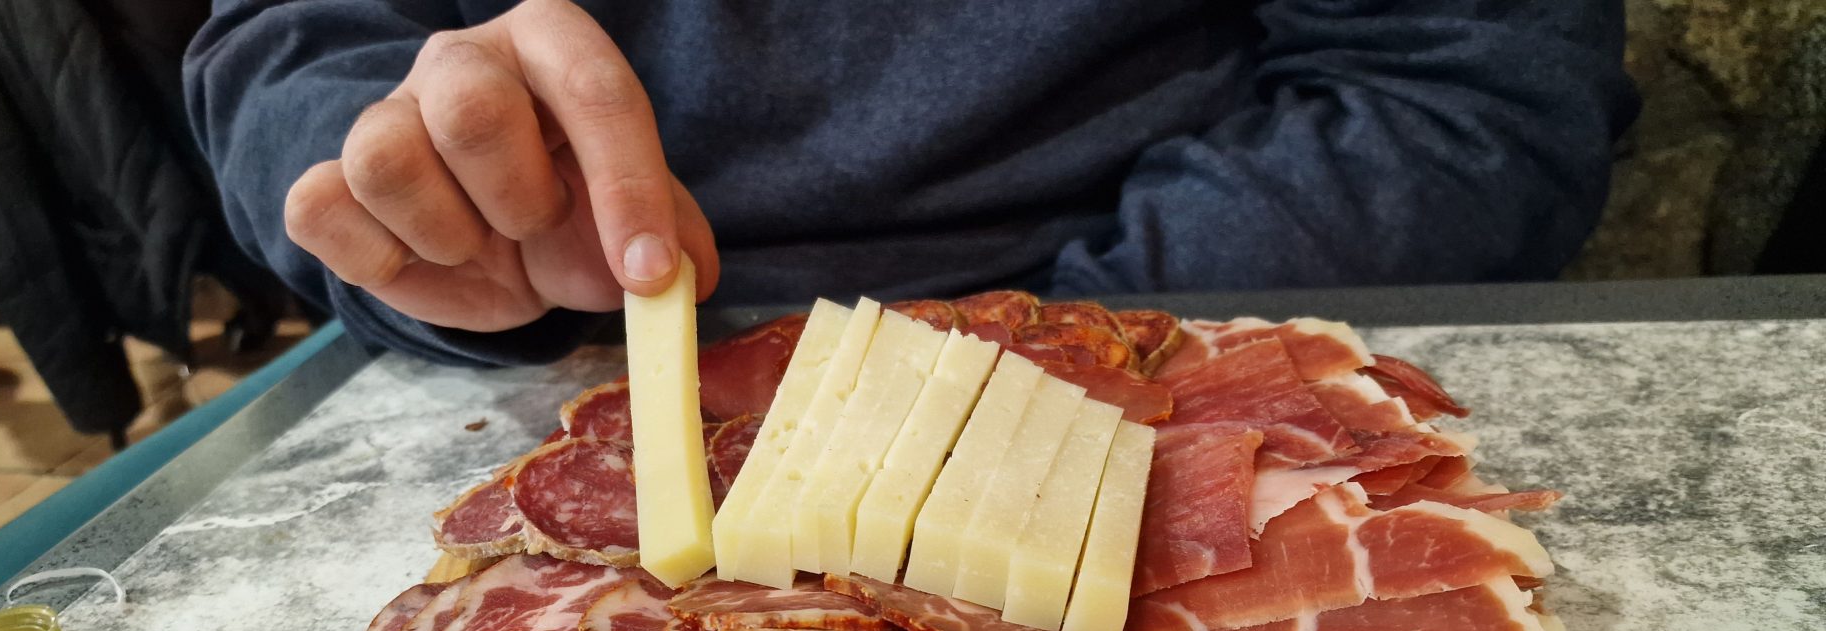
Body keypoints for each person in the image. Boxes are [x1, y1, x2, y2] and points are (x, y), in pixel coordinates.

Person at [185, 0, 1637, 365]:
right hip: (580, 358)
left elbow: (1461, 82)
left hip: (1149, 319)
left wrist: (1051, 344)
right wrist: (417, 201)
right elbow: (286, 45)